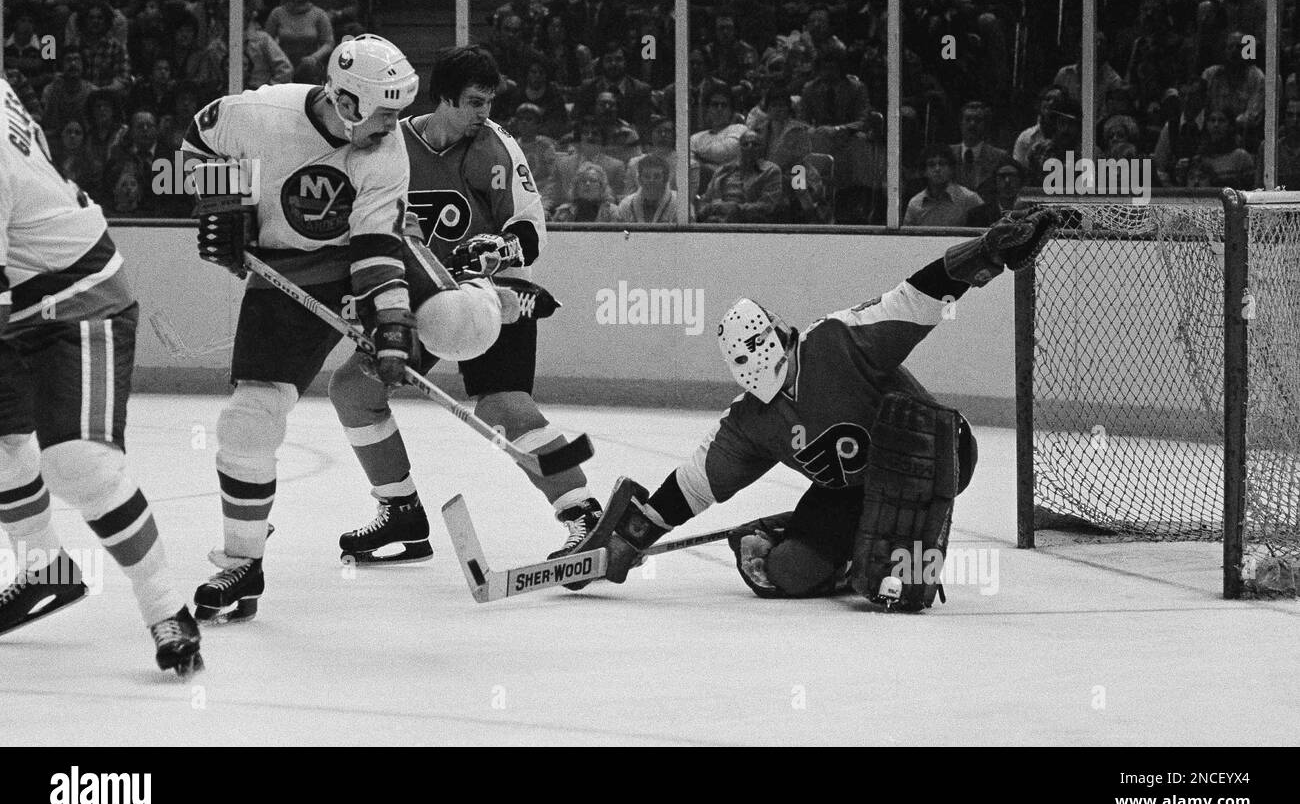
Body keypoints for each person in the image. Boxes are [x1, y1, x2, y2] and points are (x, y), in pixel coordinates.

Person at [567, 208, 1060, 609]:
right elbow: (696, 484)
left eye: (751, 352)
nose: (749, 366)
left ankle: (858, 543)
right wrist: (635, 535)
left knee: (899, 580)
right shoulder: (749, 424)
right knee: (785, 574)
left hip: (937, 457)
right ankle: (804, 540)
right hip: (851, 492)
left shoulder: (835, 342)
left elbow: (913, 300)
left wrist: (984, 254)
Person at [183, 34, 452, 621]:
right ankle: (241, 564)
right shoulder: (257, 114)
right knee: (249, 420)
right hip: (287, 268)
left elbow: (377, 246)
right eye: (384, 112)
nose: (394, 124)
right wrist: (224, 207)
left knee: (459, 324)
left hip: (355, 258)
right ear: (348, 102)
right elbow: (198, 140)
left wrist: (391, 325)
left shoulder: (385, 151)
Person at [331, 45, 602, 565]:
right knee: (353, 390)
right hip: (422, 294)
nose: (485, 113)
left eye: (489, 102)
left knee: (502, 404)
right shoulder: (388, 145)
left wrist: (499, 248)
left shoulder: (496, 148)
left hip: (492, 293)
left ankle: (582, 511)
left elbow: (529, 230)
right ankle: (401, 510)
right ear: (444, 100)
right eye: (475, 102)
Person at [0, 75, 202, 675]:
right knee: (6, 443)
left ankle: (167, 607)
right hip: (26, 283)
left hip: (76, 293)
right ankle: (45, 570)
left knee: (78, 463)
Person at [904, 145, 983, 227]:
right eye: (931, 165)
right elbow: (906, 237)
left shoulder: (969, 199)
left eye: (942, 164)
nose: (937, 169)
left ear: (951, 169)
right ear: (924, 171)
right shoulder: (915, 203)